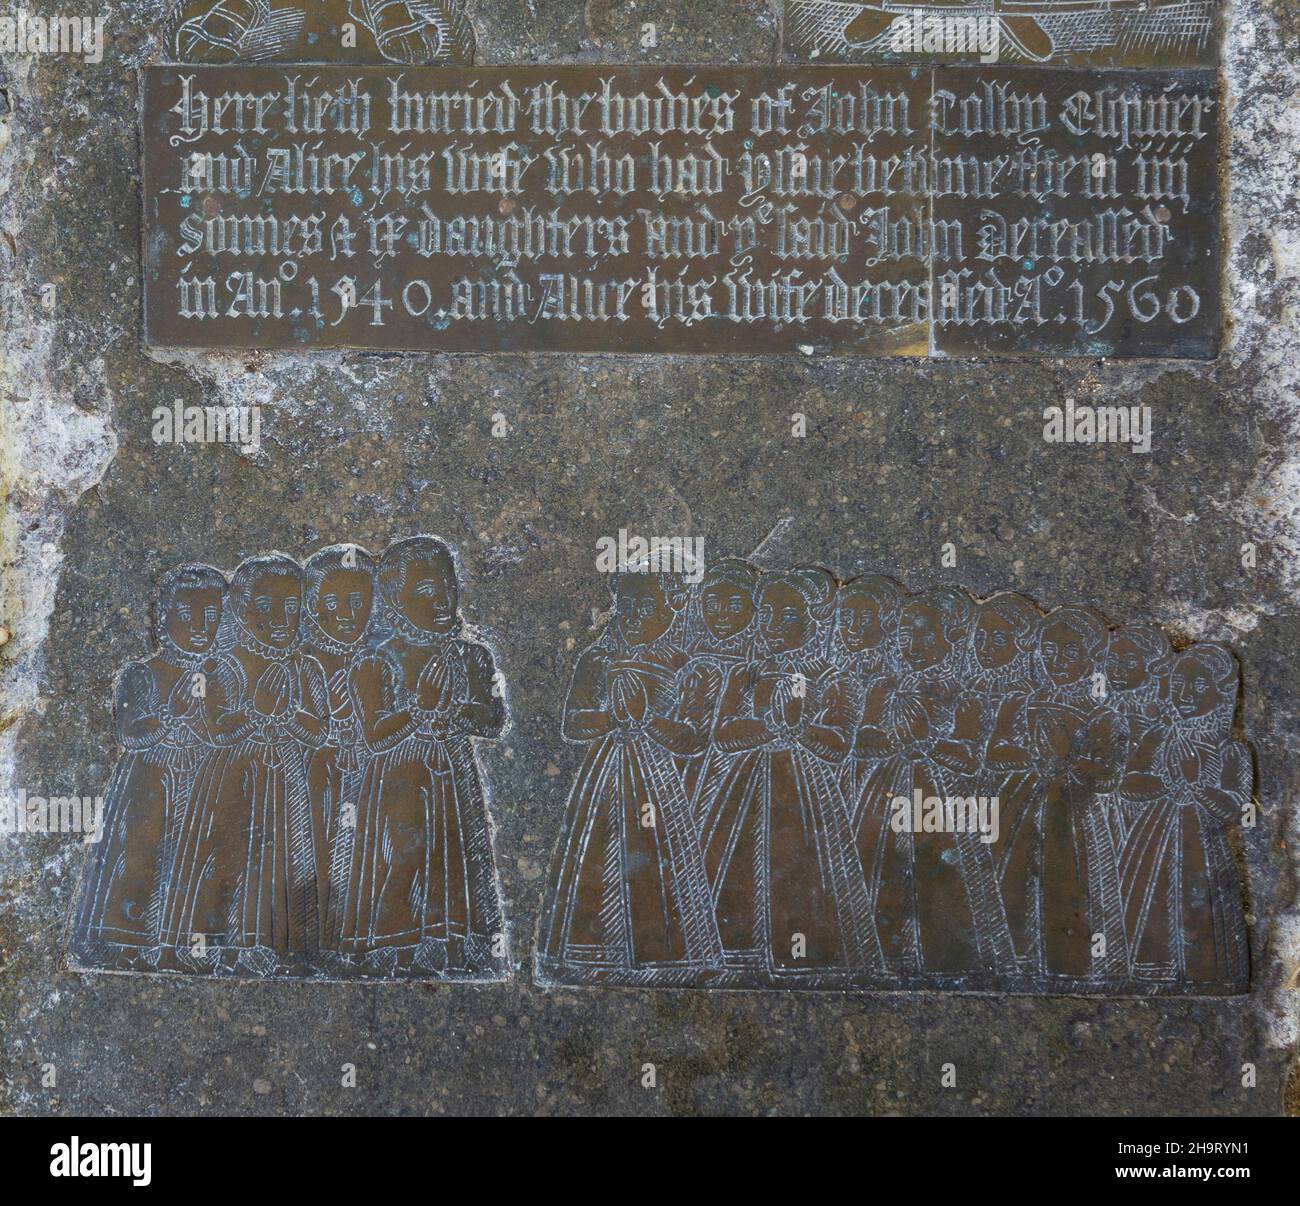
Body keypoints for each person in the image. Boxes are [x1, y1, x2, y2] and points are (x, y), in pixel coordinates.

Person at [539, 568, 723, 983]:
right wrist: (612, 717)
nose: (635, 618)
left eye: (647, 608)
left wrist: (646, 722)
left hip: (659, 780)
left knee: (661, 854)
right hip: (606, 774)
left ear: (673, 609)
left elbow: (693, 737)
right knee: (598, 851)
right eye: (626, 608)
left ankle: (667, 950)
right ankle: (592, 950)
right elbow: (573, 723)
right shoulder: (598, 659)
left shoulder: (688, 666)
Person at [341, 537, 507, 975]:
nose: (442, 601)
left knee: (460, 857)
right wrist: (419, 709)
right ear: (396, 599)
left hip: (454, 773)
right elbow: (375, 735)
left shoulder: (473, 655)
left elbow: (492, 720)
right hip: (400, 778)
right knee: (404, 858)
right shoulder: (376, 659)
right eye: (427, 592)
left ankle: (457, 948)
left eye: (448, 588)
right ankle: (393, 952)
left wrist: (453, 711)